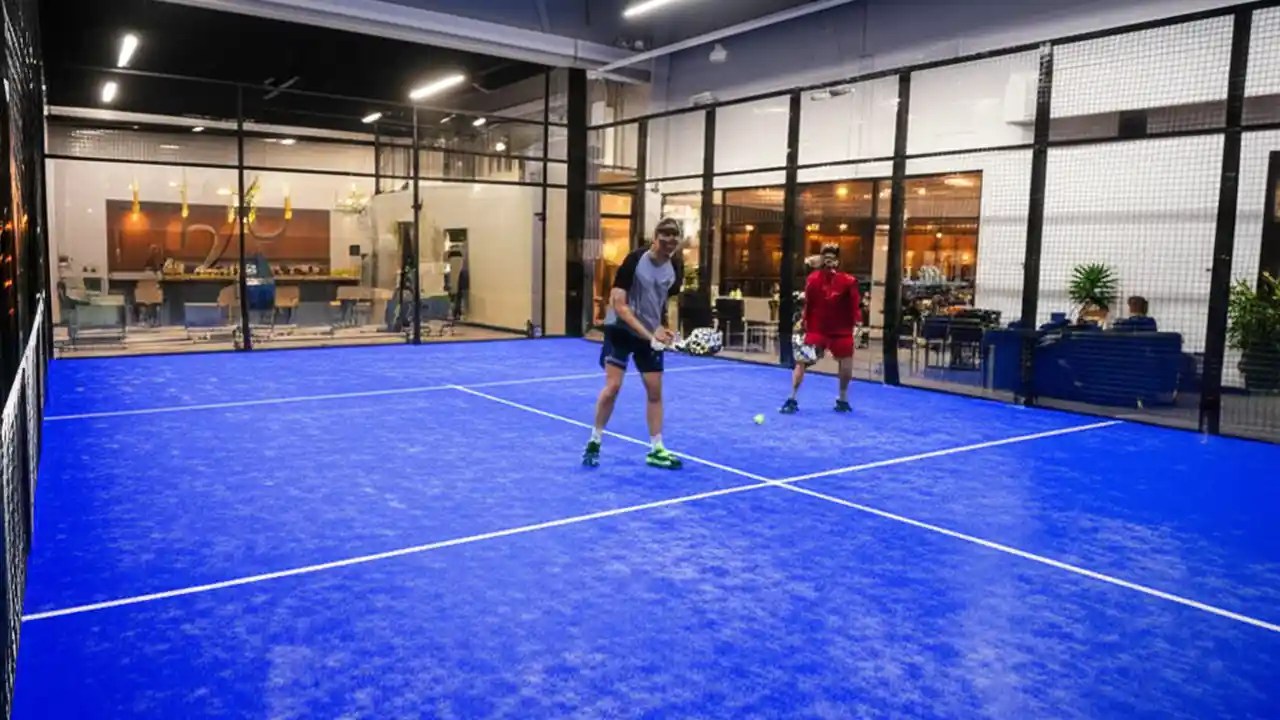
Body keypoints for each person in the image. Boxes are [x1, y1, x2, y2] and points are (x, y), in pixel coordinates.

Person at [583, 218, 684, 469]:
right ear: (655, 236)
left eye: (675, 236)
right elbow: (619, 304)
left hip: (648, 334)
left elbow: (664, 302)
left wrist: (663, 327)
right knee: (613, 387)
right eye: (666, 235)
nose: (671, 240)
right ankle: (594, 441)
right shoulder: (634, 260)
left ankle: (656, 449)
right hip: (620, 329)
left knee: (654, 391)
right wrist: (649, 335)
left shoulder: (676, 266)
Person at [781, 242, 861, 414]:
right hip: (817, 329)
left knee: (846, 365)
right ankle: (792, 398)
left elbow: (854, 306)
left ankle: (843, 399)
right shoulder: (813, 279)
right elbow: (809, 304)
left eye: (833, 258)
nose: (829, 261)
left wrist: (857, 324)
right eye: (826, 257)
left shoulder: (849, 281)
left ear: (838, 261)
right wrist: (803, 322)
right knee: (802, 361)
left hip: (841, 330)